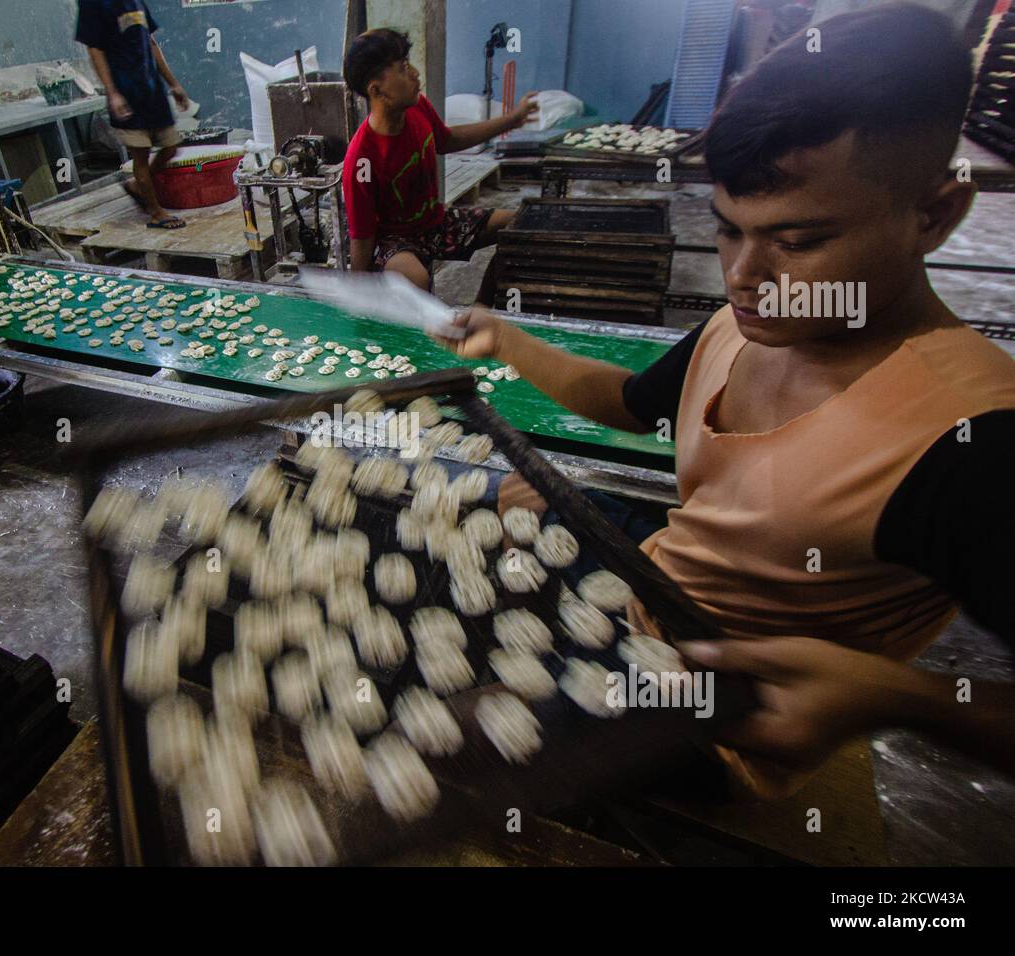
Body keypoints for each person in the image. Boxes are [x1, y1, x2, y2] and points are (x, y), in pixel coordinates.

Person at [436, 5, 1015, 794]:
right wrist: (504, 339)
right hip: (652, 579)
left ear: (934, 214)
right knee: (451, 502)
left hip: (716, 711)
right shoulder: (743, 328)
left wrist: (904, 697)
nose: (742, 275)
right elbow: (632, 402)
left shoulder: (968, 440)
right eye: (728, 229)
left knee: (454, 744)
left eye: (797, 241)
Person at [342, 28, 538, 303]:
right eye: (402, 68)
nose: (415, 74)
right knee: (415, 279)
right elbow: (362, 237)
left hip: (436, 223)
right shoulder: (362, 158)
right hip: (395, 241)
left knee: (522, 225)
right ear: (378, 90)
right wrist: (356, 297)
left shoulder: (418, 107)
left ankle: (480, 309)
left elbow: (447, 139)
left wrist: (511, 120)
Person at [77, 0, 191, 230]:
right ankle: (156, 212)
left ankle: (138, 185)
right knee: (140, 154)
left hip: (152, 92)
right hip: (126, 93)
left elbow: (150, 43)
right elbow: (95, 50)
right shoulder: (93, 4)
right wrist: (113, 93)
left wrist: (173, 84)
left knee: (171, 147)